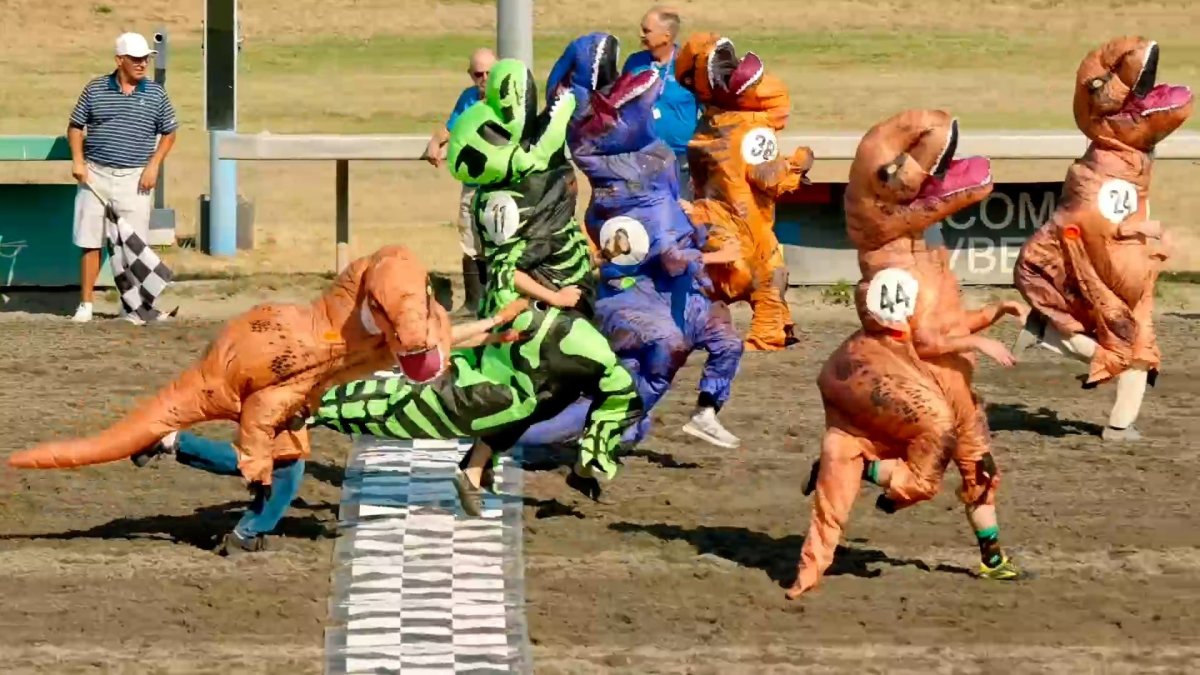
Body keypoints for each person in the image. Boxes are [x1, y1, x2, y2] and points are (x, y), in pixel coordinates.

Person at [67, 32, 178, 324]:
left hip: (135, 177)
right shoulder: (95, 90)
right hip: (96, 174)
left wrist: (153, 165)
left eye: (146, 59)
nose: (142, 64)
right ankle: (86, 304)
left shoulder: (155, 94)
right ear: (120, 60)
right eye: (136, 59)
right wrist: (78, 161)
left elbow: (169, 132)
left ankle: (132, 306)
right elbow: (76, 126)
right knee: (90, 241)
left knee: (134, 244)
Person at [424, 47, 497, 318]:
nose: (485, 79)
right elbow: (450, 128)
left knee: (497, 242)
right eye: (479, 74)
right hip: (472, 184)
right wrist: (436, 142)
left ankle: (495, 301)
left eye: (490, 72)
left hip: (499, 186)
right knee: (469, 240)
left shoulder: (505, 100)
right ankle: (472, 301)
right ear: (470, 75)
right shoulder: (468, 98)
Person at [620, 6, 699, 199]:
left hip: (681, 162)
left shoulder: (690, 66)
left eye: (646, 31)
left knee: (680, 219)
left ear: (666, 35)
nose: (641, 35)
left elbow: (710, 113)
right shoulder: (634, 63)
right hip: (640, 157)